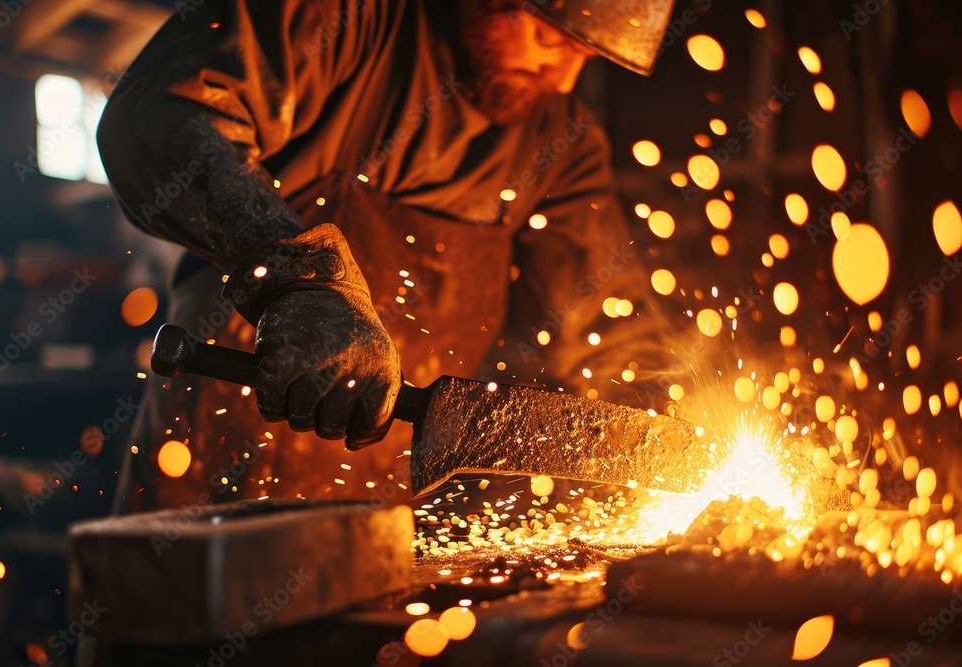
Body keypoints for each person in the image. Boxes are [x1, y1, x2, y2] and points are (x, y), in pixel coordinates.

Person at [97, 0, 678, 512]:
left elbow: (607, 323)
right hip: (212, 467)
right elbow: (161, 117)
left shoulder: (560, 144)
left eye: (585, 55)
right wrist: (303, 284)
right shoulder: (343, 20)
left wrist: (658, 419)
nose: (563, 74)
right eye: (551, 38)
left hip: (383, 502)